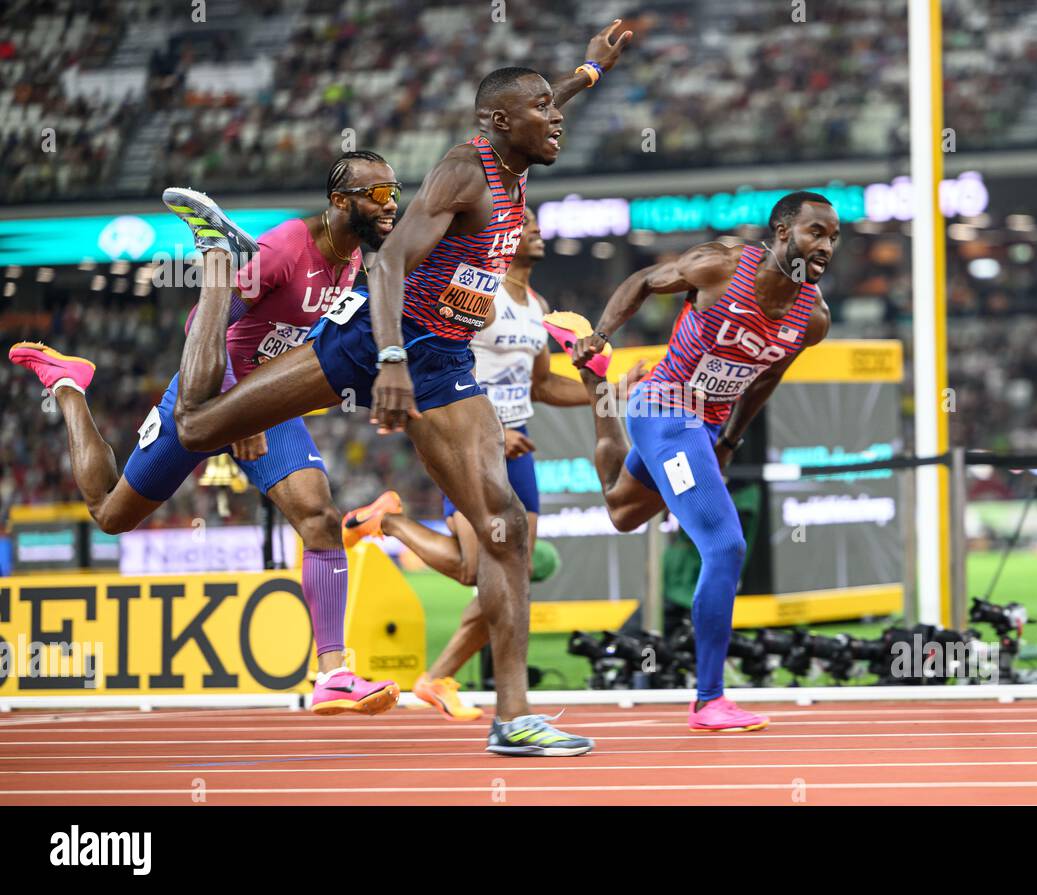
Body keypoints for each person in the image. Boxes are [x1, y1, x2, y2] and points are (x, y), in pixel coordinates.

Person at [161, 22, 633, 756]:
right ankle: (218, 263)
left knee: (505, 526)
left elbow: (550, 100)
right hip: (372, 340)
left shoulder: (522, 159)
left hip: (444, 361)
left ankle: (514, 718)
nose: (559, 117)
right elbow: (385, 268)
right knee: (195, 428)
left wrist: (588, 71)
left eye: (556, 105)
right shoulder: (463, 171)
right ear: (501, 122)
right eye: (544, 108)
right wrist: (386, 362)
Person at [8, 150, 403, 715]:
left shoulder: (357, 258)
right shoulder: (290, 247)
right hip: (206, 392)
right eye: (379, 194)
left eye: (394, 191)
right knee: (111, 514)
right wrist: (231, 403)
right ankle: (70, 386)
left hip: (267, 405)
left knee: (318, 517)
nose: (392, 204)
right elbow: (203, 324)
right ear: (340, 201)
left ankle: (333, 674)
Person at [546, 191, 836, 732]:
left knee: (623, 513)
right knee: (725, 545)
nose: (826, 246)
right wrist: (600, 334)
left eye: (834, 238)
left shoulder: (813, 318)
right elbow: (640, 283)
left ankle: (596, 387)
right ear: (781, 232)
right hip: (665, 410)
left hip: (702, 429)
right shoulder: (722, 266)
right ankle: (709, 700)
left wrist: (728, 443)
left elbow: (768, 376)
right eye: (816, 232)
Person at [342, 207, 592, 721]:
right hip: (473, 441)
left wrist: (604, 391)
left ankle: (436, 679)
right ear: (504, 239)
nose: (537, 231)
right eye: (526, 226)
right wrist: (492, 433)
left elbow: (542, 384)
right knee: (471, 570)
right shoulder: (482, 296)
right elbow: (446, 359)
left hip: (518, 451)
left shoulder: (536, 305)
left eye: (540, 226)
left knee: (512, 573)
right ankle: (384, 521)